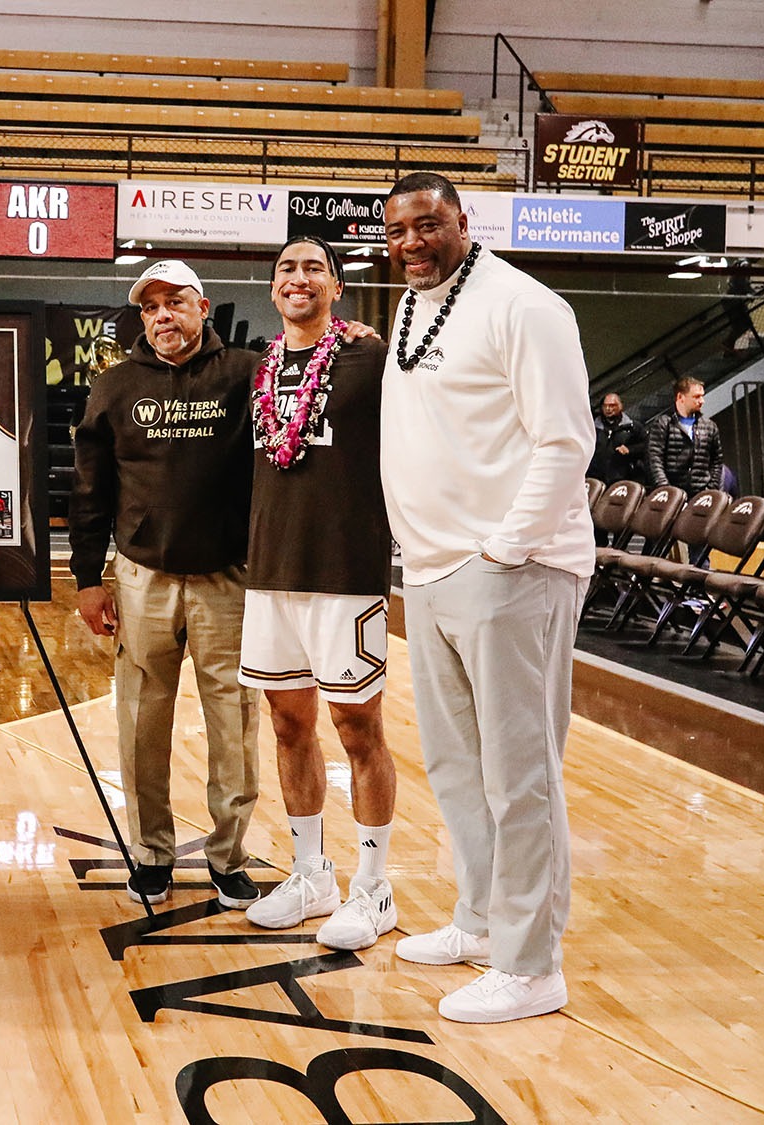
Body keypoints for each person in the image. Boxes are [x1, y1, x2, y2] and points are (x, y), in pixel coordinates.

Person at [379, 172, 594, 1023]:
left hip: (512, 567)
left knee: (521, 774)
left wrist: (507, 545)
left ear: (464, 221)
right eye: (399, 230)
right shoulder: (411, 308)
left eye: (429, 224)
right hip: (429, 569)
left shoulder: (526, 305)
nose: (413, 242)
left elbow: (563, 439)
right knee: (458, 768)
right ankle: (480, 921)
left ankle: (532, 963)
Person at [69, 260, 264, 909]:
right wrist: (87, 579)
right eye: (150, 306)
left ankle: (228, 854)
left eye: (174, 302)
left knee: (233, 725)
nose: (162, 316)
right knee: (141, 723)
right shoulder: (116, 385)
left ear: (202, 307)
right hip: (141, 578)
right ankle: (150, 851)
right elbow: (91, 489)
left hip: (226, 580)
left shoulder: (244, 374)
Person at [237, 236, 400, 952]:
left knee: (359, 731)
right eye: (285, 270)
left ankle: (374, 888)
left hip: (346, 570)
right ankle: (312, 875)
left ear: (336, 284)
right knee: (287, 727)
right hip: (272, 570)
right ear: (274, 289)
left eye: (312, 268)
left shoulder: (372, 358)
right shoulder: (258, 369)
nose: (297, 278)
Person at [645, 377, 723, 494]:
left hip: (701, 494)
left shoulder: (709, 426)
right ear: (680, 397)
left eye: (702, 396)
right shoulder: (663, 423)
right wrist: (665, 489)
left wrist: (710, 489)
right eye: (696, 397)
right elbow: (654, 460)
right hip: (671, 495)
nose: (702, 401)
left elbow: (717, 460)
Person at [588, 393, 644, 485]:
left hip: (623, 479)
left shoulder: (632, 427)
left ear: (621, 406)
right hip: (595, 478)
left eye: (612, 405)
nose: (608, 409)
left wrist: (630, 450)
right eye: (605, 406)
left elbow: (646, 446)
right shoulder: (592, 426)